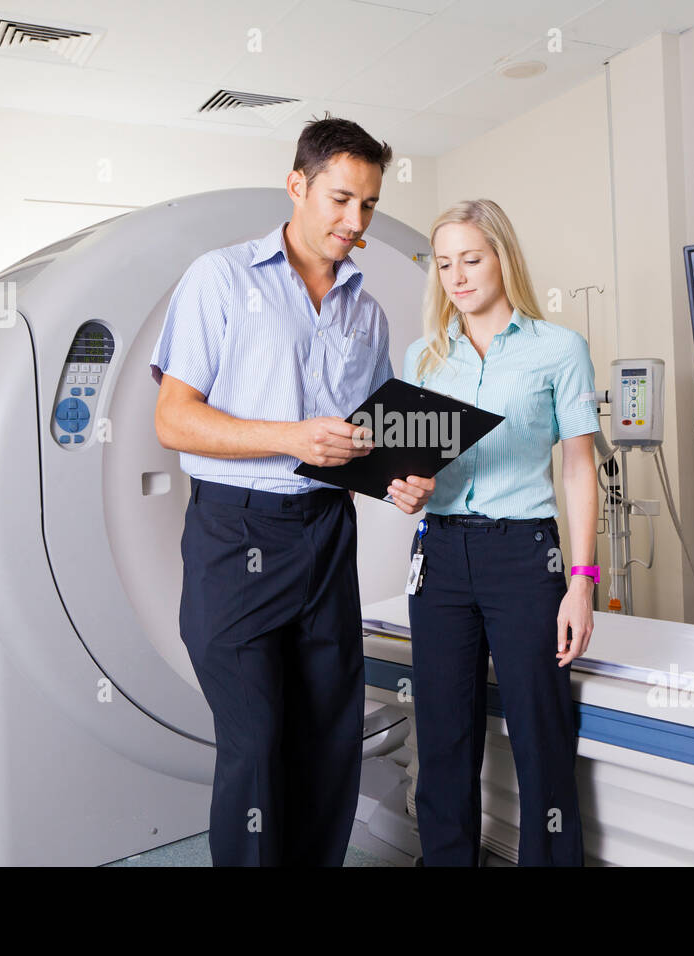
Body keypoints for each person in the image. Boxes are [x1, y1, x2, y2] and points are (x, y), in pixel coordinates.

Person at [149, 116, 435, 866]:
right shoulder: (220, 278)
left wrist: (401, 483)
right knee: (255, 741)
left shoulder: (364, 312)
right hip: (234, 534)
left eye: (368, 205)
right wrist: (289, 436)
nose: (354, 220)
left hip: (325, 534)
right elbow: (173, 421)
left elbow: (363, 440)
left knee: (329, 736)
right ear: (298, 185)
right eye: (341, 199)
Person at [402, 198, 599, 866]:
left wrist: (582, 583)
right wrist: (407, 487)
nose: (457, 275)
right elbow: (409, 472)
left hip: (523, 557)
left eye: (472, 259)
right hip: (439, 555)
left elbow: (578, 468)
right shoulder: (423, 357)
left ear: (503, 258)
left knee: (541, 729)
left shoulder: (558, 350)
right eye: (445, 262)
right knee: (444, 734)